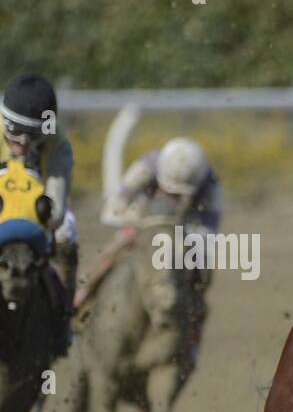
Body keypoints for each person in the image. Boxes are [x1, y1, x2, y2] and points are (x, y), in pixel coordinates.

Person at [85, 137, 223, 306]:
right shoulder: (147, 165)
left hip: (183, 229)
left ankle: (195, 322)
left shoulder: (210, 183)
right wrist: (142, 225)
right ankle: (81, 296)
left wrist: (192, 244)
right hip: (141, 222)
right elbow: (111, 211)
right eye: (170, 193)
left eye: (180, 196)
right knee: (111, 251)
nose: (175, 200)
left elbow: (209, 232)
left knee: (203, 273)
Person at [1, 73, 75, 353]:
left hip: (33, 214)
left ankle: (61, 322)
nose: (21, 143)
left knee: (68, 231)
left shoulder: (59, 146)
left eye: (31, 136)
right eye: (14, 132)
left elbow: (55, 211)